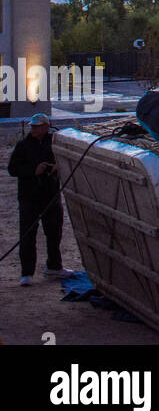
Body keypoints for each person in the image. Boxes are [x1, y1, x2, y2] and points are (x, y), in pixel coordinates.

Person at [7, 114, 73, 286]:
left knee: (54, 233)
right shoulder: (23, 145)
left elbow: (66, 161)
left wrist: (56, 167)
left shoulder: (55, 143)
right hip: (29, 196)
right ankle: (27, 273)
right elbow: (12, 169)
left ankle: (54, 266)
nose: (34, 129)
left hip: (50, 195)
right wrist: (33, 170)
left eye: (37, 126)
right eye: (33, 126)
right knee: (28, 234)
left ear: (46, 127)